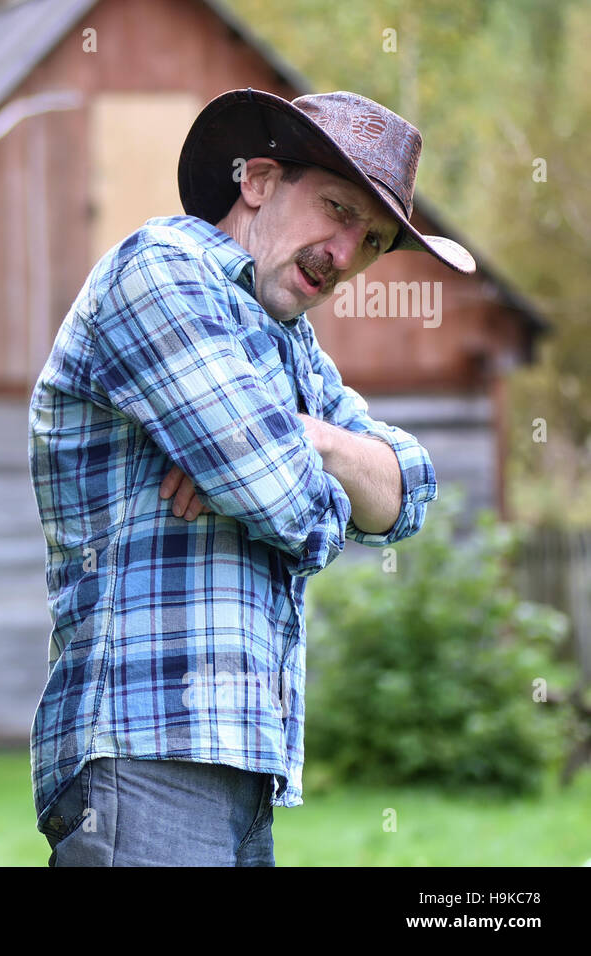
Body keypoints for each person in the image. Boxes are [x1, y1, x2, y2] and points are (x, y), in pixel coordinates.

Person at [28, 88, 476, 866]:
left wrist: (306, 437)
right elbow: (281, 499)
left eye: (371, 242)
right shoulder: (161, 274)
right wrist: (290, 469)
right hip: (145, 754)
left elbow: (411, 490)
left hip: (245, 768)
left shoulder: (292, 348)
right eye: (337, 211)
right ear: (260, 180)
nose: (344, 257)